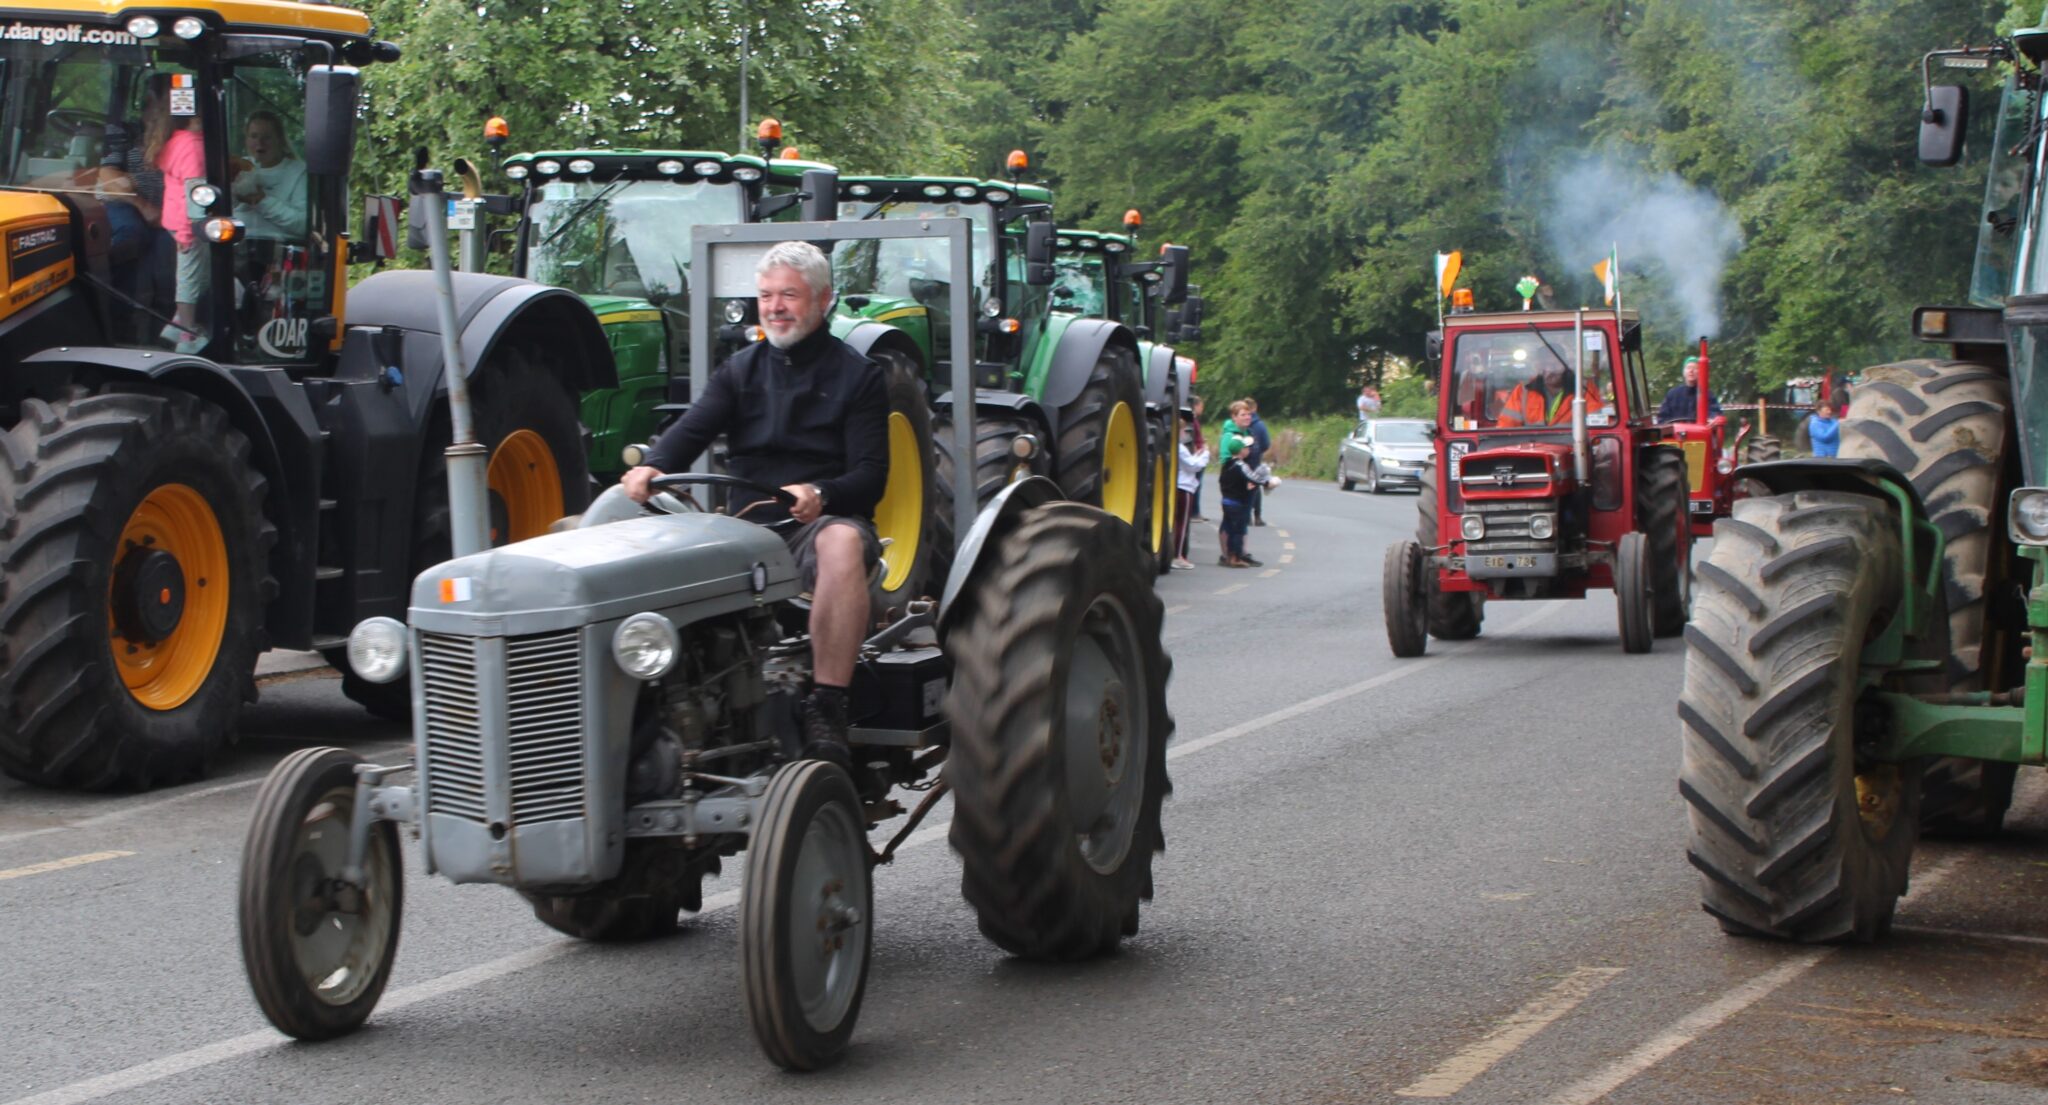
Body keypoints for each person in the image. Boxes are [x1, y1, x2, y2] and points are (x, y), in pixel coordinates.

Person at [621, 241, 887, 769]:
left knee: (841, 540)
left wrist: (823, 493)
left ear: (823, 300)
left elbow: (871, 476)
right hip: (747, 529)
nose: (775, 307)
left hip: (819, 524)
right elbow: (691, 429)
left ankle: (828, 704)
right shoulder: (739, 371)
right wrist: (653, 465)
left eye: (789, 295)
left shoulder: (860, 377)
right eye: (766, 295)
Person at [147, 87, 207, 353]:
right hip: (189, 224)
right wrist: (187, 232)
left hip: (175, 220)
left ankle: (176, 324)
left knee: (203, 274)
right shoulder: (194, 147)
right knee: (190, 279)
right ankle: (187, 336)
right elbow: (193, 194)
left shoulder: (176, 141)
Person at [231, 111, 308, 241]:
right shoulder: (239, 167)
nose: (259, 143)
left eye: (267, 137)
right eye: (254, 136)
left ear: (280, 140)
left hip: (281, 246)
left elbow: (304, 225)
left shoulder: (298, 172)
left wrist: (261, 201)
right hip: (237, 245)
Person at [1217, 401, 1275, 568]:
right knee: (1232, 521)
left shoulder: (1249, 432)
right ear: (1234, 417)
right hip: (1239, 483)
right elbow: (1226, 460)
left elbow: (1261, 449)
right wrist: (1248, 477)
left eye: (1249, 414)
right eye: (1243, 414)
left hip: (1250, 479)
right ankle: (1228, 555)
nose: (1247, 417)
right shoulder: (1230, 436)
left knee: (1243, 519)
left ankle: (1241, 553)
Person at [1496, 359, 1603, 428]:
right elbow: (1506, 428)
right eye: (1545, 365)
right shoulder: (1523, 390)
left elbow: (1598, 426)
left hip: (1575, 449)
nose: (1550, 370)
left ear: (1565, 366)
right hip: (1531, 449)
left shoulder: (1584, 389)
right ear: (1537, 368)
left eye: (1555, 364)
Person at [1173, 418, 1208, 570]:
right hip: (1184, 486)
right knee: (1182, 522)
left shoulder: (1177, 447)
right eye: (1182, 430)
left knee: (1178, 521)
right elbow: (1193, 466)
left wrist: (1197, 455)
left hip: (1180, 484)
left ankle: (1177, 554)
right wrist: (1205, 455)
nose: (1184, 434)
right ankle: (1178, 555)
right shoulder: (1180, 448)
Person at [1655, 356, 1722, 424]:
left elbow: (1714, 414)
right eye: (1688, 368)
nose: (1691, 371)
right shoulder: (1672, 394)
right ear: (1683, 372)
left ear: (1701, 372)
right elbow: (1662, 418)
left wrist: (1712, 419)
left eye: (1695, 368)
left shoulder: (1707, 395)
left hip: (1698, 430)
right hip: (1676, 430)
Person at [1245, 397, 1272, 525]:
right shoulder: (1260, 425)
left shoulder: (1241, 424)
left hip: (1243, 459)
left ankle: (1247, 515)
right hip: (1255, 459)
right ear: (1255, 408)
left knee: (1244, 486)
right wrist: (1259, 450)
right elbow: (1266, 443)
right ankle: (1257, 516)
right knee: (1256, 485)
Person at [1188, 395, 1209, 522]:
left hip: (1199, 453)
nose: (1202, 409)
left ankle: (1195, 511)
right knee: (1196, 484)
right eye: (1201, 406)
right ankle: (1194, 512)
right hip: (1197, 455)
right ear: (1195, 406)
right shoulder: (1192, 421)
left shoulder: (1194, 420)